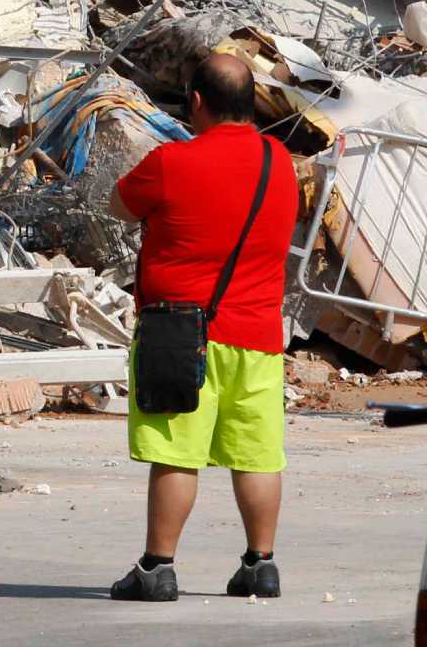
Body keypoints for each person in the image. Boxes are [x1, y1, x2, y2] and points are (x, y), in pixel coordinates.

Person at [107, 53, 299, 604]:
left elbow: (121, 204)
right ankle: (260, 565)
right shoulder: (279, 162)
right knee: (258, 455)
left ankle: (157, 567)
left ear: (195, 102)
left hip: (179, 333)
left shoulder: (171, 161)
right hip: (260, 335)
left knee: (177, 453)